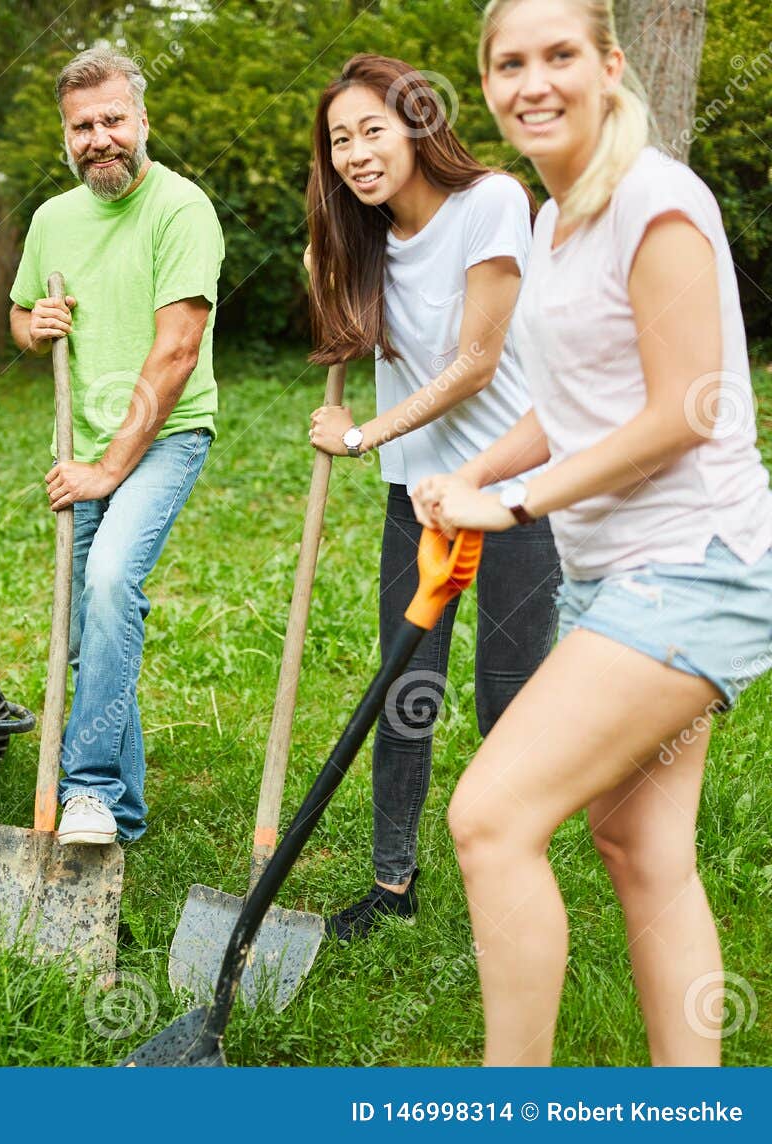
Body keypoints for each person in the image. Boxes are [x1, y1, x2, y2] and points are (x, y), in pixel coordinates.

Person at [414, 0, 772, 1065]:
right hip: (614, 573)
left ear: (609, 65)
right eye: (508, 63)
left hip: (695, 569)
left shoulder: (654, 201)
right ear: (483, 84)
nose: (534, 83)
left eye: (559, 56)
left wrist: (516, 505)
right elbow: (575, 396)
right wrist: (472, 469)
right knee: (640, 845)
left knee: (489, 816)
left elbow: (684, 408)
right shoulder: (549, 216)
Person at [302, 54, 560, 941]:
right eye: (340, 140)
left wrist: (364, 434)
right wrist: (327, 263)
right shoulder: (360, 238)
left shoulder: (490, 202)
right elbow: (348, 331)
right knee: (404, 690)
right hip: (419, 499)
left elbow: (477, 359)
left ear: (417, 124)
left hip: (514, 489)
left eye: (373, 129)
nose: (357, 152)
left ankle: (511, 872)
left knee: (505, 697)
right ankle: (392, 884)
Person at [9, 47, 223, 845]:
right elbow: (20, 317)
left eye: (112, 120)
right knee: (88, 622)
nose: (99, 138)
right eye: (81, 126)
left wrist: (107, 470)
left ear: (142, 122)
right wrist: (36, 327)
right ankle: (120, 811)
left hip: (164, 434)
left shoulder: (182, 209)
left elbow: (176, 351)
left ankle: (88, 787)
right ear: (64, 136)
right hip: (85, 442)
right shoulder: (52, 220)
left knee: (105, 587)